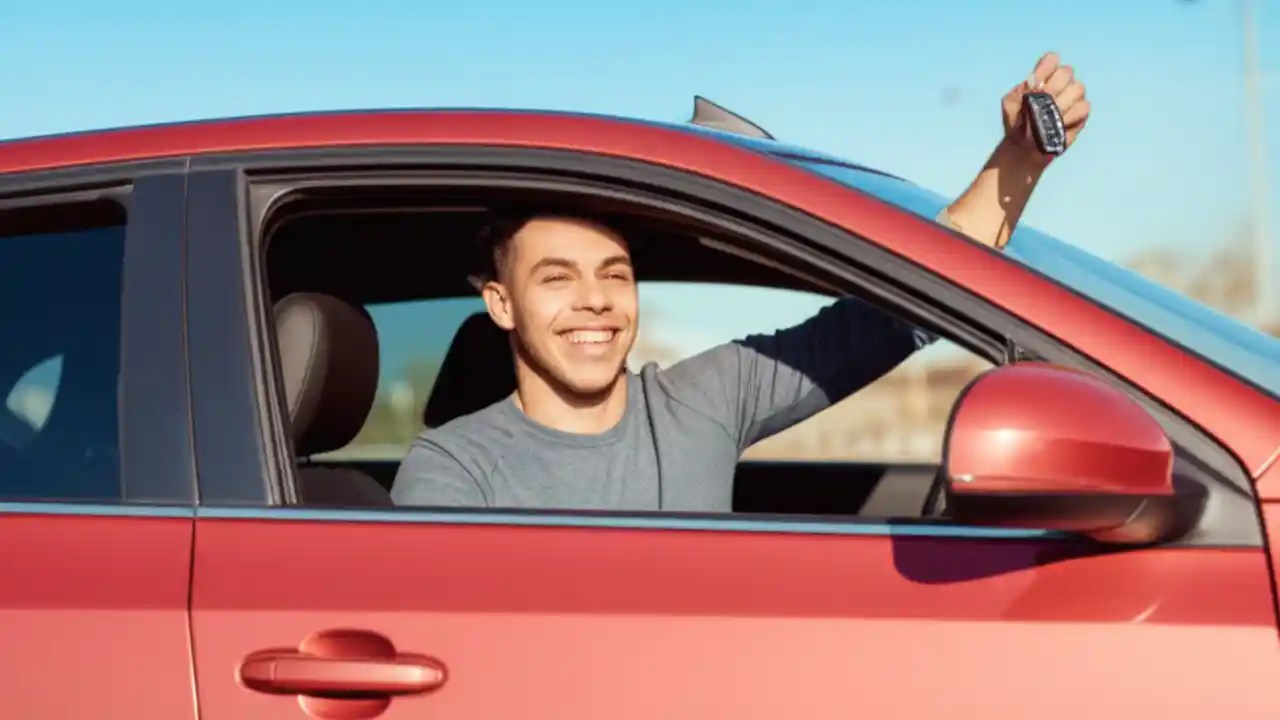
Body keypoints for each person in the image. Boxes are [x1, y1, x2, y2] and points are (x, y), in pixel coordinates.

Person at [390, 52, 1091, 510]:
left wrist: (1019, 159)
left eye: (615, 273)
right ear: (501, 303)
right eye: (557, 278)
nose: (596, 300)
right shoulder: (453, 469)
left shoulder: (703, 400)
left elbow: (911, 297)